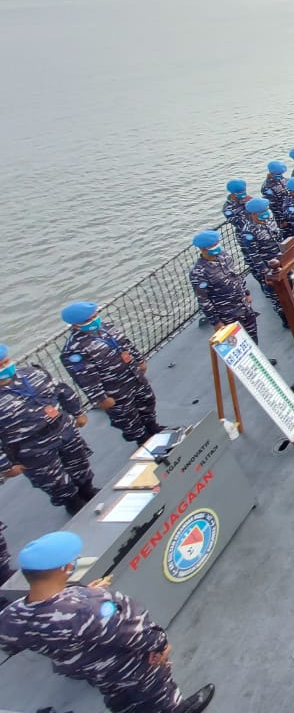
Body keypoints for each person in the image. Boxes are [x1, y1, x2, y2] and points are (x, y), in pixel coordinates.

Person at [0, 532, 215, 712]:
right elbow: (131, 631)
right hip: (128, 664)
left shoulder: (11, 615)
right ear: (65, 568)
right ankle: (175, 709)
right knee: (155, 686)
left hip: (91, 671)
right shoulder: (87, 608)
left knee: (118, 695)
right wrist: (160, 645)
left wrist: (81, 593)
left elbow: (11, 643)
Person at [0, 346, 97, 513]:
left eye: (6, 362)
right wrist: (5, 466)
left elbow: (62, 390)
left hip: (63, 430)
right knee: (54, 481)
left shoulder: (32, 373)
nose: (4, 368)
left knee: (80, 464)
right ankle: (73, 503)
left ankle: (87, 489)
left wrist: (77, 412)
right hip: (31, 448)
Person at [58, 302, 162, 447]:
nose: (95, 320)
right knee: (127, 416)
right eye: (89, 319)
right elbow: (84, 378)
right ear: (76, 325)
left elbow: (126, 344)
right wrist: (101, 398)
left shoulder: (106, 328)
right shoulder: (73, 350)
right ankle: (142, 439)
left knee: (147, 401)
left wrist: (139, 360)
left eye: (95, 316)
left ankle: (153, 427)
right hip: (114, 389)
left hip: (134, 377)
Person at [188, 229, 262, 344]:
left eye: (217, 243)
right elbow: (203, 300)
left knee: (253, 338)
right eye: (213, 245)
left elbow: (236, 275)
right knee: (236, 344)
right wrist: (216, 322)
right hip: (227, 315)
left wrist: (246, 293)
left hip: (244, 306)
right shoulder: (199, 272)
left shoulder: (224, 256)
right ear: (203, 249)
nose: (217, 246)